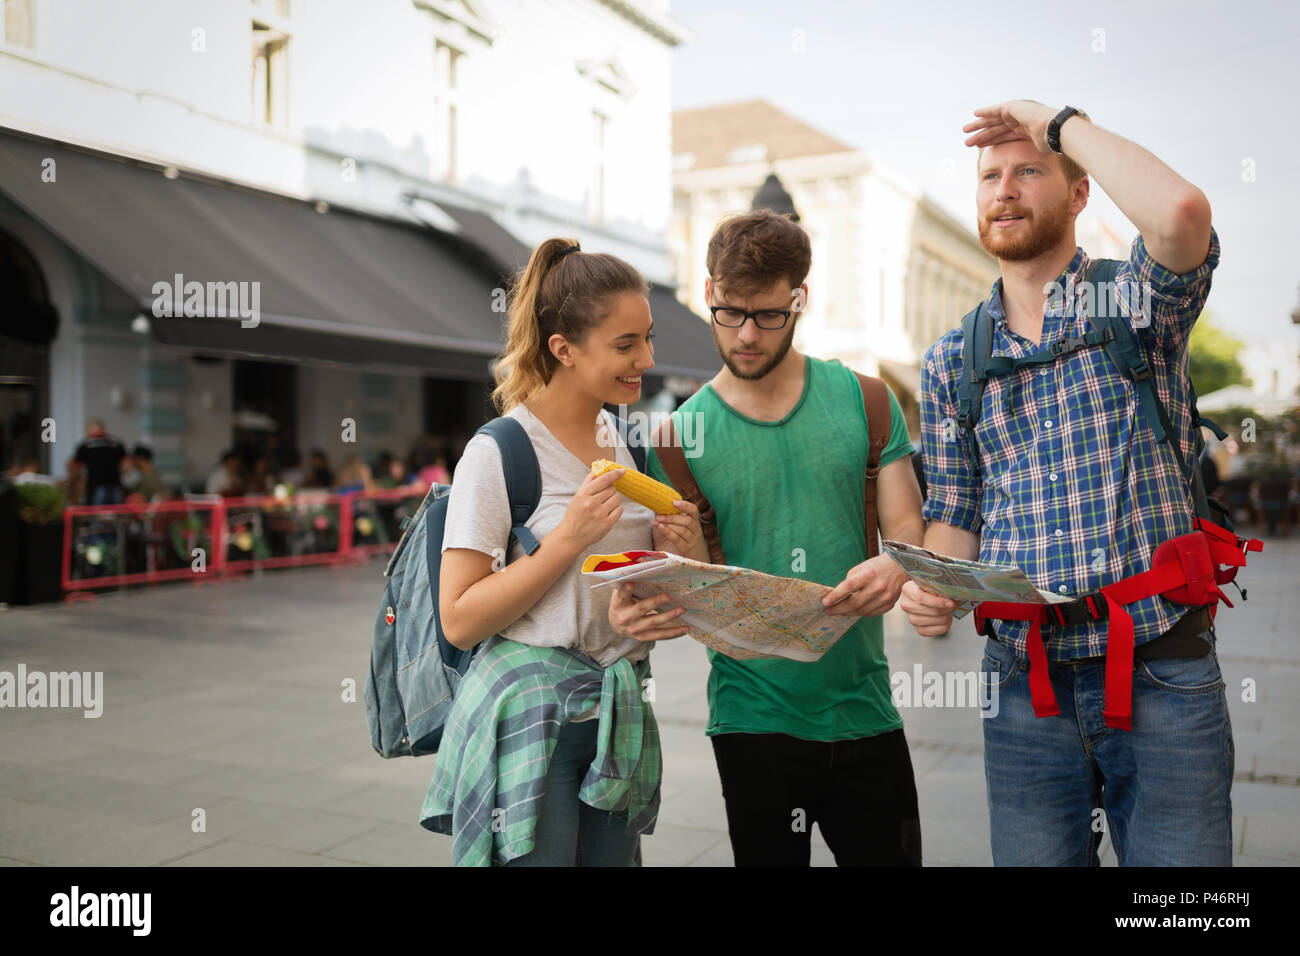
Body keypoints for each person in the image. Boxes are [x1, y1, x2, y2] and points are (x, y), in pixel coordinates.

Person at [900, 100, 1229, 865]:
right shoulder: (956, 357)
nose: (1003, 190)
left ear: (1079, 194)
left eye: (1029, 171)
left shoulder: (1127, 302)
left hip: (1160, 669)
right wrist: (935, 587)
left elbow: (1181, 213)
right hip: (1023, 685)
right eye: (988, 176)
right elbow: (955, 515)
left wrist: (1057, 123)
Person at [608, 210, 927, 866]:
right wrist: (659, 582)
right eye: (730, 313)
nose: (746, 334)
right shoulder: (674, 437)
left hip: (864, 707)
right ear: (709, 297)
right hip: (751, 717)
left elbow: (904, 529)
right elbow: (682, 580)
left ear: (799, 301)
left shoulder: (866, 400)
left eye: (767, 315)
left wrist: (895, 568)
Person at [419, 238, 704, 867]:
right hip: (533, 724)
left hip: (616, 713)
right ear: (563, 349)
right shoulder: (499, 452)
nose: (646, 360)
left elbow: (629, 592)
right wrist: (566, 541)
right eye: (626, 345)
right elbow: (459, 619)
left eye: (648, 339)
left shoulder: (628, 443)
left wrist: (678, 561)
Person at [74, 418, 127, 506]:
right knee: (116, 514)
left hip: (96, 487)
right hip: (115, 486)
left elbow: (76, 467)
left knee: (97, 515)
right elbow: (126, 465)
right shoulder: (116, 443)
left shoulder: (85, 445)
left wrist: (77, 483)